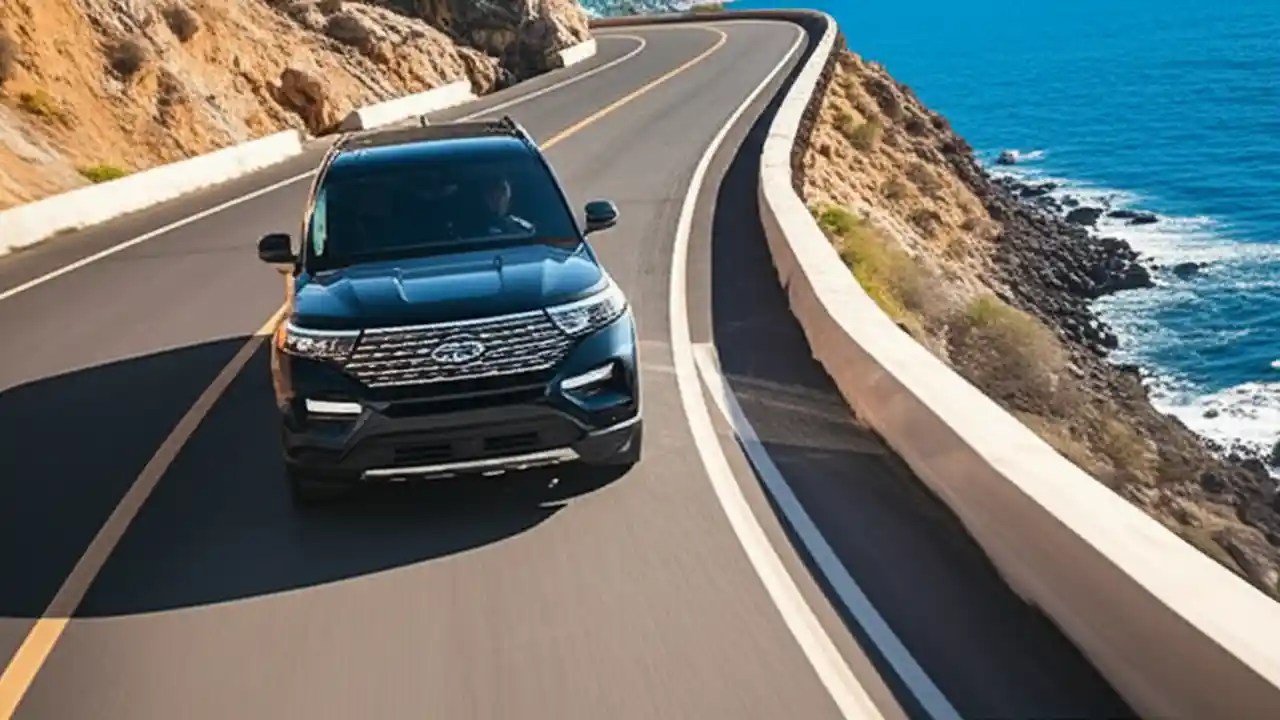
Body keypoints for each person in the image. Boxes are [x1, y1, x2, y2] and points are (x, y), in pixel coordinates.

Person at [472, 172, 534, 237]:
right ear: (483, 196)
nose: (497, 196)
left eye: (503, 190)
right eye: (490, 191)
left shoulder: (526, 230)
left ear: (510, 194)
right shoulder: (471, 231)